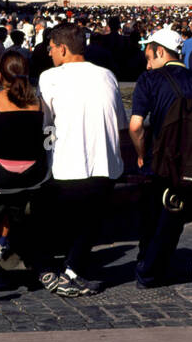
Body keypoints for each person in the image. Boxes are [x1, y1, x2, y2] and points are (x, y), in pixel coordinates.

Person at [129, 28, 192, 288]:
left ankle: (148, 269)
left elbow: (135, 127)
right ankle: (153, 267)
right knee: (173, 217)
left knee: (152, 217)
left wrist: (142, 154)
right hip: (191, 166)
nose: (147, 62)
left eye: (149, 56)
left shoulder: (148, 79)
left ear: (160, 51)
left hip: (158, 161)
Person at [36, 21, 125, 297]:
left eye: (51, 48)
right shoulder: (107, 75)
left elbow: (45, 122)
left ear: (62, 49)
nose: (49, 53)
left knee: (49, 218)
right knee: (91, 221)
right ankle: (73, 270)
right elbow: (120, 122)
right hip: (106, 165)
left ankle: (46, 270)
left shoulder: (49, 77)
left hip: (67, 165)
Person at [0, 51, 51, 259]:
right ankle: (3, 236)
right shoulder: (40, 103)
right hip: (34, 172)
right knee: (17, 190)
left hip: (2, 173)